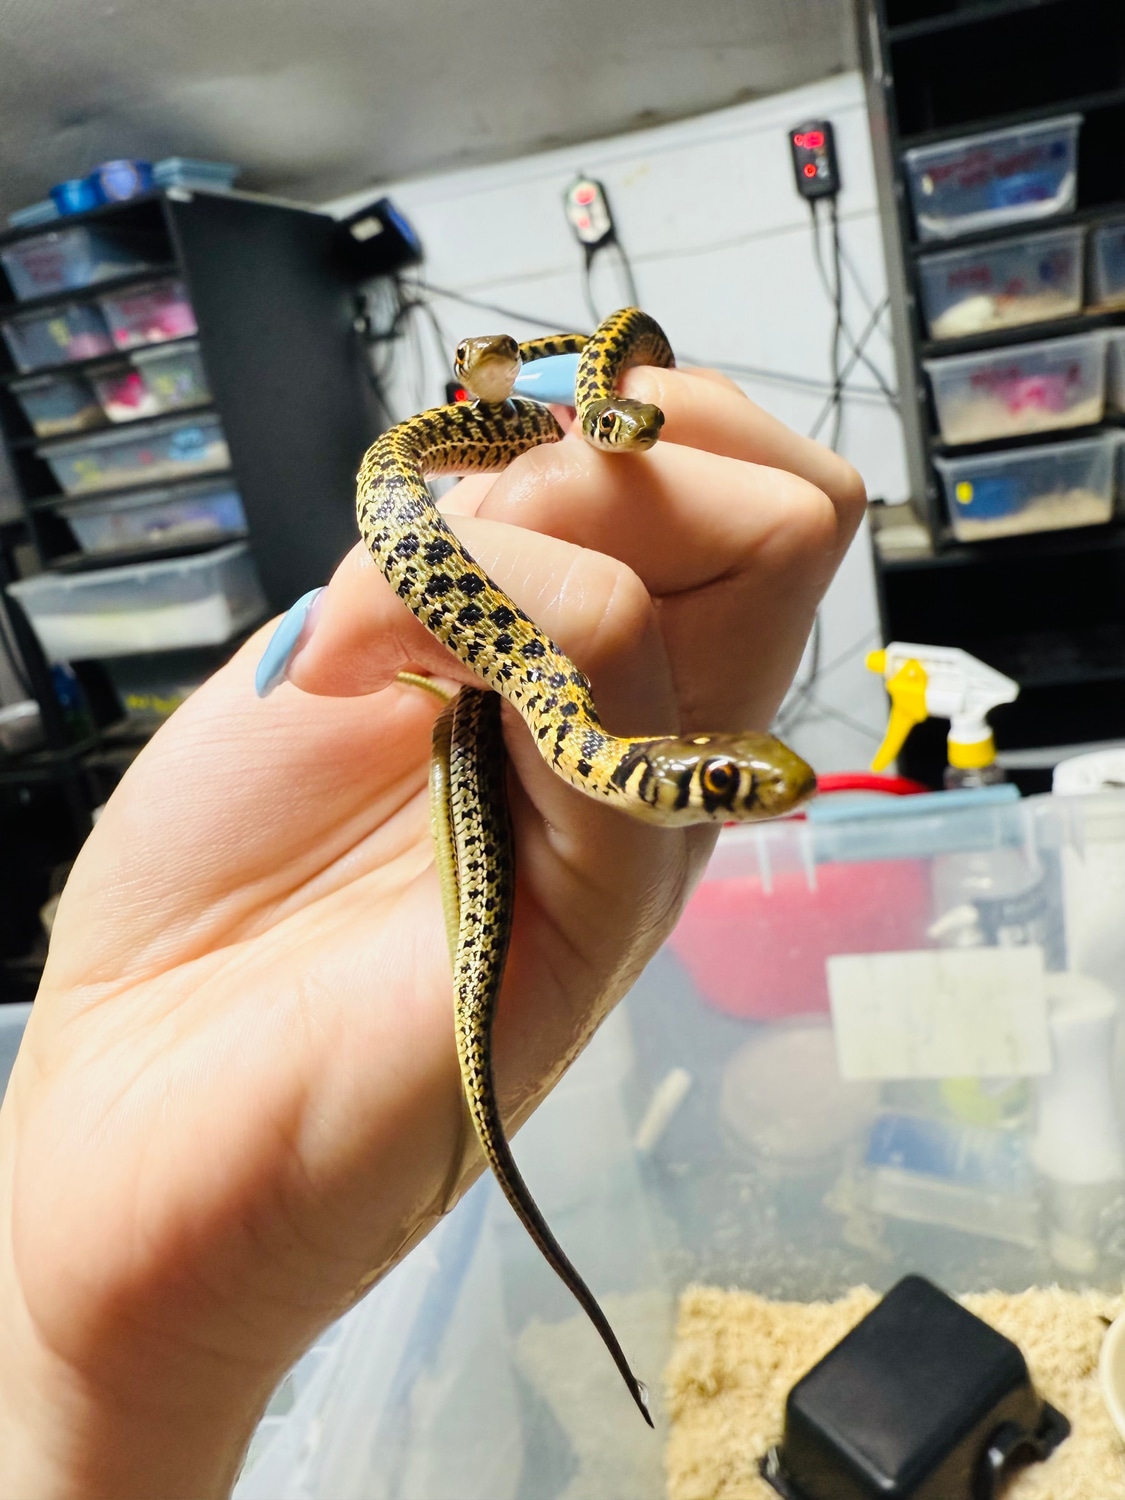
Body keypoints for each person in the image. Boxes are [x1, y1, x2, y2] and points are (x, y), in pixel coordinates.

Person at [0, 365, 864, 1499]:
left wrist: (117, 1369)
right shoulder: (539, 711)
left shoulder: (544, 726)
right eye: (721, 784)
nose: (747, 803)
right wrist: (70, 1356)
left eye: (732, 792)